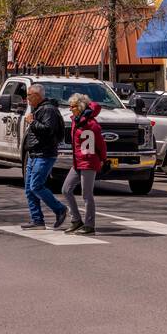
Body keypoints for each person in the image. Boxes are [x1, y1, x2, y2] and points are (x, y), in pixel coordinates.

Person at [21, 84, 67, 229]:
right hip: (34, 154)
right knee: (29, 189)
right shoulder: (39, 109)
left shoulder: (48, 110)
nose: (27, 98)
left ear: (37, 96)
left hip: (44, 154)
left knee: (36, 185)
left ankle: (60, 209)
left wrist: (32, 122)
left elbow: (48, 130)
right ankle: (37, 220)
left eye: (29, 95)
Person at [60, 93, 106, 236]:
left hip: (88, 162)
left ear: (79, 107)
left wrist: (103, 159)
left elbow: (100, 144)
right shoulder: (76, 120)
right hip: (78, 161)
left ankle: (89, 225)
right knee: (66, 189)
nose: (70, 109)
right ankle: (76, 220)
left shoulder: (91, 124)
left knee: (87, 195)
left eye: (72, 106)